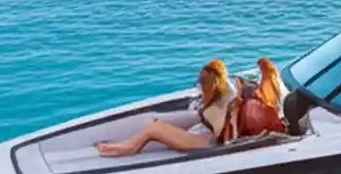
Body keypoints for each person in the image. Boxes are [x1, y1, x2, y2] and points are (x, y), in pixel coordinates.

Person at [96, 59, 240, 156]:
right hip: (202, 134)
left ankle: (128, 147)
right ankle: (131, 143)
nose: (200, 88)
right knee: (155, 124)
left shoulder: (221, 107)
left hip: (203, 142)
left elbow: (220, 129)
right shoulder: (226, 92)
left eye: (202, 85)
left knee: (154, 128)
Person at [238, 57, 287, 136]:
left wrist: (257, 95)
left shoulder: (269, 79)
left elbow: (268, 95)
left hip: (273, 108)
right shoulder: (273, 76)